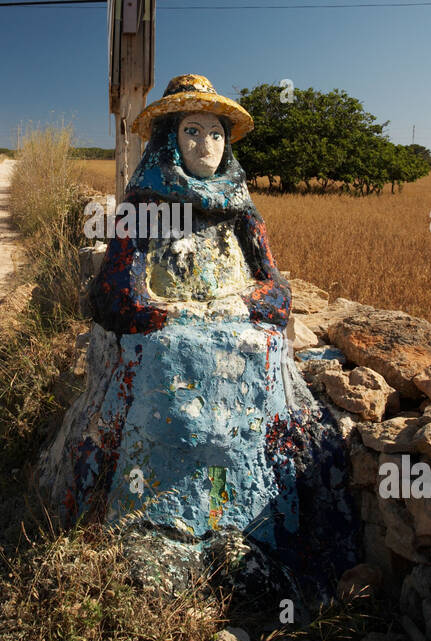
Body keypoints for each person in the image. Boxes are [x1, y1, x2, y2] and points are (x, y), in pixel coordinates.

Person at [41, 74, 357, 588]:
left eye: (215, 134)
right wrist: (174, 316)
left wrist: (239, 306)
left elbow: (275, 291)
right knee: (168, 365)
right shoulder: (143, 208)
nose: (205, 146)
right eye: (192, 132)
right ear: (169, 138)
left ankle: (260, 524)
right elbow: (115, 295)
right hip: (165, 347)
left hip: (239, 343)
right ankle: (153, 522)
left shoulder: (241, 212)